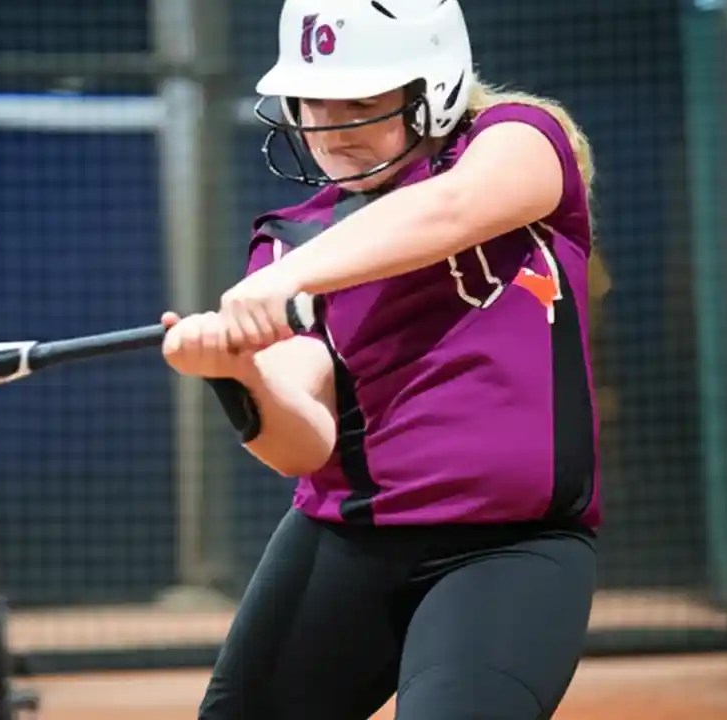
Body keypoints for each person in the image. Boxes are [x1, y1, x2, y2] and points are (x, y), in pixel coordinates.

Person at [161, 1, 600, 718]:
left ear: (435, 90)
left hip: (508, 549)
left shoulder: (518, 141)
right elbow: (302, 441)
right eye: (311, 102)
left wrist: (283, 283)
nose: (330, 130)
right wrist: (238, 376)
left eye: (360, 102)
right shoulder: (292, 241)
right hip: (346, 539)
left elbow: (448, 209)